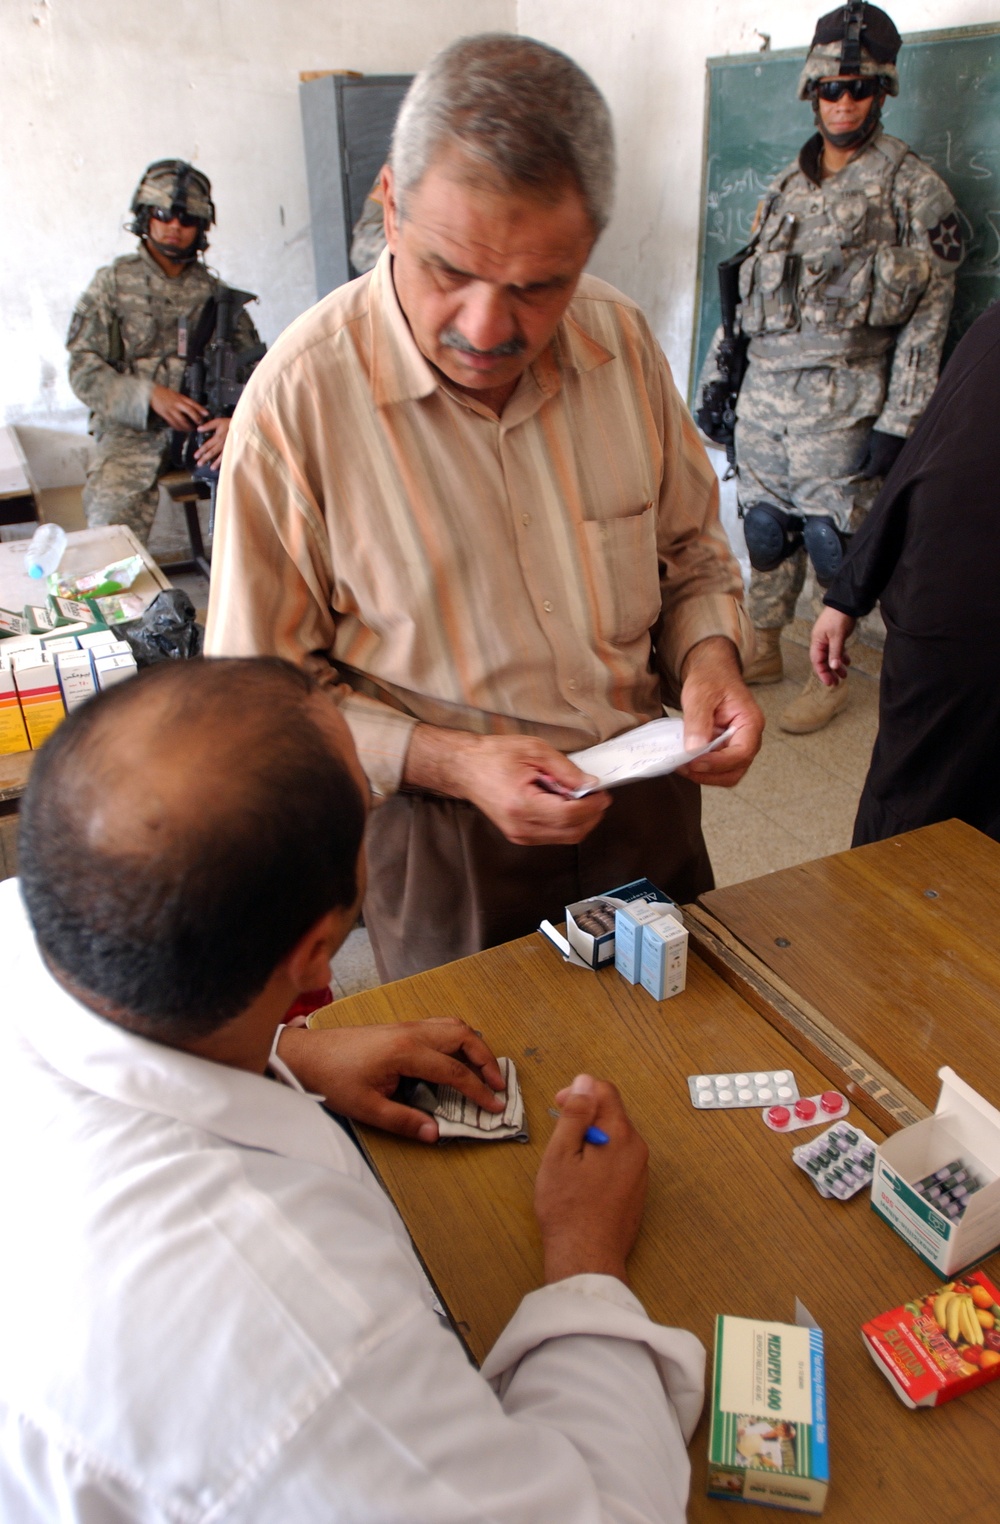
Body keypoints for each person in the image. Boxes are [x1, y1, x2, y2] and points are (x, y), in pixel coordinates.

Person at [0, 656, 704, 1523]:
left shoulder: (29, 914)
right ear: (316, 957)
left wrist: (288, 1051)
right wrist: (585, 1256)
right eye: (367, 799)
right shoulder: (296, 1334)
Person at [206, 34, 762, 981]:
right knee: (480, 1065)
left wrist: (711, 658)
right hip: (448, 841)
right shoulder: (298, 406)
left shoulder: (621, 343)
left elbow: (693, 557)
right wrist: (451, 762)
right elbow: (260, 703)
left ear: (587, 248)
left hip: (647, 799)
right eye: (448, 271)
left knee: (688, 1042)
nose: (486, 329)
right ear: (390, 206)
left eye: (539, 287)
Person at [727, 3, 960, 733]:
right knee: (765, 530)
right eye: (831, 89)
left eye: (860, 88)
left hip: (846, 403)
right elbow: (742, 297)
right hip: (764, 400)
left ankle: (828, 675)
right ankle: (764, 646)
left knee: (835, 546)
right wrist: (718, 383)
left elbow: (929, 319)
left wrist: (901, 423)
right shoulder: (782, 189)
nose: (844, 102)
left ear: (882, 92)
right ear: (812, 92)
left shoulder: (913, 189)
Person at [810, 299, 1000, 846]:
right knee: (913, 809)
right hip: (958, 619)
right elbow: (929, 453)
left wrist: (849, 593)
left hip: (948, 612)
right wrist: (847, 593)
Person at [67, 159, 262, 544]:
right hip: (131, 433)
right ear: (144, 216)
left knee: (269, 501)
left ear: (201, 226)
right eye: (163, 214)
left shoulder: (220, 298)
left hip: (207, 431)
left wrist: (237, 422)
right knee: (110, 525)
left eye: (187, 219)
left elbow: (259, 374)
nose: (174, 226)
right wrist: (149, 396)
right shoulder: (112, 284)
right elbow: (83, 369)